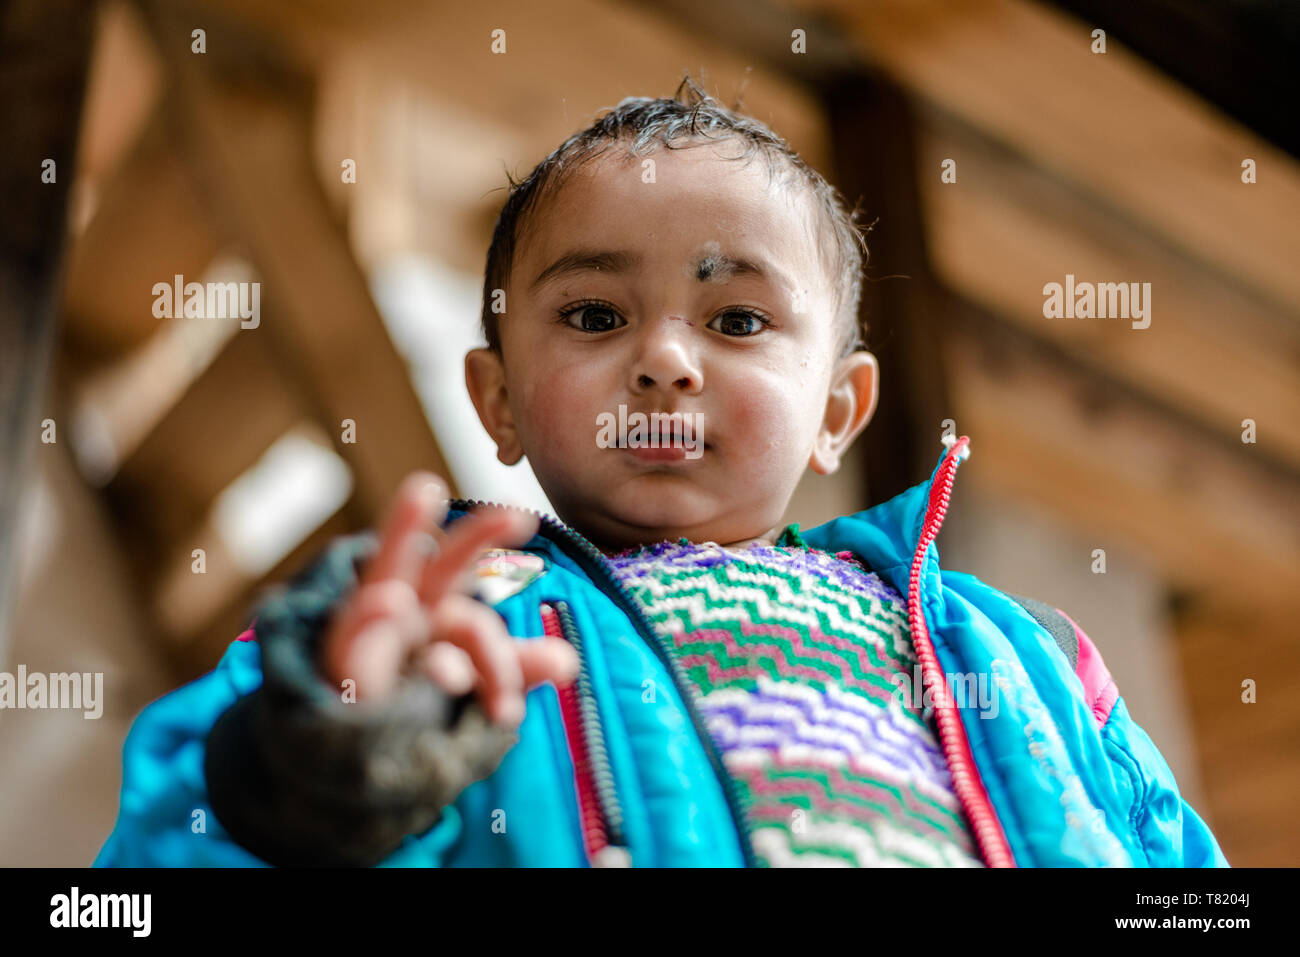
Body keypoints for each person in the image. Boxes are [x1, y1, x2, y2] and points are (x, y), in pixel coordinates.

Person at [94, 78, 1228, 868]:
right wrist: (314, 765)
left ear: (838, 410)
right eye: (594, 314)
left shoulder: (1019, 653)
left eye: (736, 318)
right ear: (495, 400)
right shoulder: (442, 637)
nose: (665, 361)